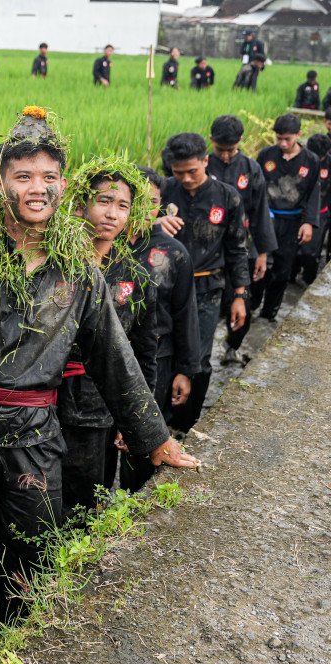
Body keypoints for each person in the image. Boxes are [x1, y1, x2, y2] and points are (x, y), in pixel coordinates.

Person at [0, 106, 199, 664]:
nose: (38, 188)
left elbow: (114, 357)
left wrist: (156, 438)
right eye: (23, 175)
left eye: (50, 176)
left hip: (36, 441)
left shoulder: (80, 270)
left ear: (64, 183)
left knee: (33, 569)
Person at [57, 159, 157, 518]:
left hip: (98, 406)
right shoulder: (53, 261)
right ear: (81, 204)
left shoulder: (136, 276)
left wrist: (136, 423)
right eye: (103, 201)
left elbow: (144, 354)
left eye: (123, 205)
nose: (112, 213)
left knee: (84, 500)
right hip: (43, 399)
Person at [158, 133, 250, 432]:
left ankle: (187, 423)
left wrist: (239, 295)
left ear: (206, 161)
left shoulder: (228, 197)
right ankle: (159, 420)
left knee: (198, 358)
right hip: (164, 289)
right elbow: (129, 228)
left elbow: (237, 249)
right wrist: (153, 221)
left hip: (207, 290)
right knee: (162, 353)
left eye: (192, 171)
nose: (185, 178)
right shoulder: (162, 193)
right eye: (178, 172)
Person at [128, 167, 200, 489]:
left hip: (158, 358)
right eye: (135, 200)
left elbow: (186, 315)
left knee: (145, 442)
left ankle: (133, 507)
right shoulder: (98, 246)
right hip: (104, 360)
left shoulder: (173, 252)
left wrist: (185, 370)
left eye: (152, 202)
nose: (144, 209)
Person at [206, 115, 277, 366]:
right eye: (220, 150)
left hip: (240, 249)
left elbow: (259, 212)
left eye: (231, 150)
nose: (225, 156)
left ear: (240, 142)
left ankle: (232, 346)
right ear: (211, 140)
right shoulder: (202, 167)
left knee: (242, 303)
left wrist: (262, 253)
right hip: (207, 250)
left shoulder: (250, 168)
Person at [254, 114, 319, 321]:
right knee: (259, 264)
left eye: (287, 139)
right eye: (279, 138)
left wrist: (308, 222)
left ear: (298, 135)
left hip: (291, 222)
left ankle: (269, 313)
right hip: (266, 219)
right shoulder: (266, 155)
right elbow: (255, 188)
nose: (282, 143)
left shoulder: (310, 160)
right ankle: (251, 305)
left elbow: (313, 193)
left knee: (282, 268)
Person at [295, 133, 331, 284]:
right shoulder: (300, 161)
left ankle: (309, 279)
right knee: (293, 251)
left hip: (320, 213)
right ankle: (291, 276)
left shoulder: (329, 164)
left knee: (311, 252)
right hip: (297, 213)